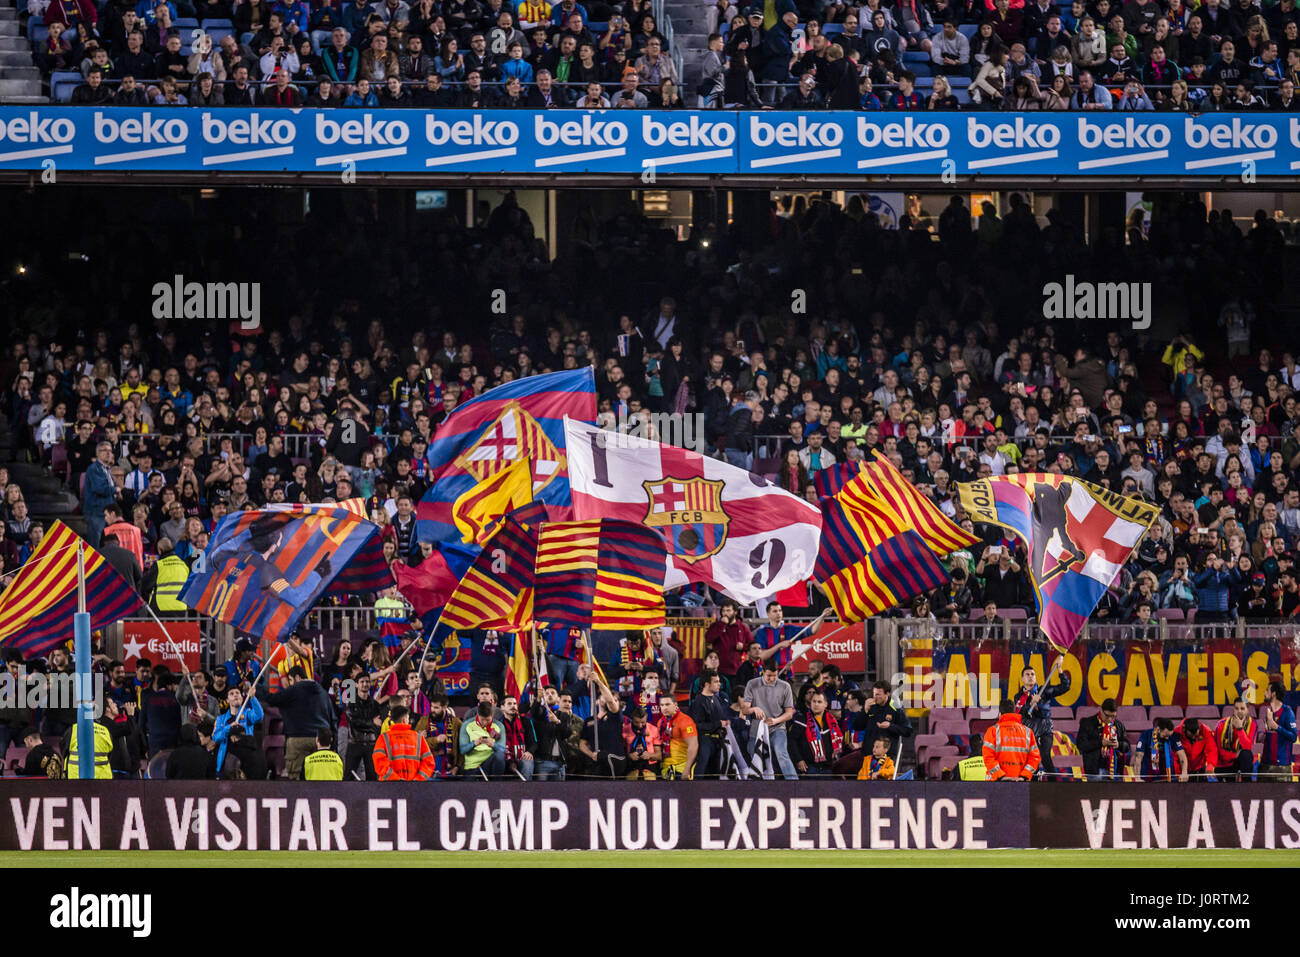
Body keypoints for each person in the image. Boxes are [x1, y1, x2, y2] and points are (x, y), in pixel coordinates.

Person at [257, 665, 332, 779]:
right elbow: (333, 717)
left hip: (297, 740)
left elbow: (272, 699)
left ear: (297, 677)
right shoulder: (323, 692)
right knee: (318, 778)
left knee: (295, 780)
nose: (290, 684)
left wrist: (256, 687)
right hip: (320, 740)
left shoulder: (294, 690)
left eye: (290, 680)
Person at [1010, 664, 1071, 777]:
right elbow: (1021, 713)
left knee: (1045, 756)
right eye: (1027, 675)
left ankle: (1054, 787)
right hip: (1029, 734)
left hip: (1045, 731)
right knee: (1032, 763)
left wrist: (1060, 669)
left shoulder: (1044, 691)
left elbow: (1065, 687)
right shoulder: (1018, 697)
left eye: (1032, 674)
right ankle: (1034, 789)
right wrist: (1030, 704)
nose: (1030, 676)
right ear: (1022, 679)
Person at [742, 660, 799, 779]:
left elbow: (789, 713)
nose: (772, 679)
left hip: (777, 728)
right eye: (769, 676)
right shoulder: (752, 684)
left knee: (781, 752)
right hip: (757, 730)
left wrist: (776, 720)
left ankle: (794, 783)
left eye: (775, 675)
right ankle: (760, 785)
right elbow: (744, 710)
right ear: (762, 672)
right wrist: (754, 709)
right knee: (753, 753)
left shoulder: (785, 686)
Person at [372, 704, 437, 781]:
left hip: (388, 788)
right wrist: (418, 779)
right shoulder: (418, 738)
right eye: (408, 718)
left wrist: (395, 779)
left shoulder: (383, 738)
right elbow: (429, 763)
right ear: (404, 719)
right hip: (414, 787)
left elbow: (379, 764)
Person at [212, 686, 264, 779]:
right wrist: (229, 727)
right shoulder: (221, 719)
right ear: (227, 700)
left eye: (237, 693)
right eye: (232, 694)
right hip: (226, 761)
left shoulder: (247, 714)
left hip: (246, 760)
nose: (235, 695)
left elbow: (259, 715)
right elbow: (216, 738)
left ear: (241, 697)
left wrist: (253, 698)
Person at [982, 699, 1041, 781]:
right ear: (1014, 712)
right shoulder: (1028, 732)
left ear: (1000, 714)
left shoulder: (992, 731)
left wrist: (1001, 776)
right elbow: (1035, 758)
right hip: (1020, 783)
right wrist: (1023, 776)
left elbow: (988, 758)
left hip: (996, 784)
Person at [789, 690, 843, 775]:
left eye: (819, 702)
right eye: (814, 701)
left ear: (825, 704)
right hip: (809, 767)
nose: (816, 704)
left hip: (828, 767)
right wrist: (798, 759)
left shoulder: (832, 722)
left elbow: (837, 740)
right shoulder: (801, 720)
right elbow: (792, 741)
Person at [579, 685, 628, 778]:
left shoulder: (615, 716)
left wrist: (597, 681)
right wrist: (591, 755)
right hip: (597, 761)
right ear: (597, 701)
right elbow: (582, 743)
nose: (610, 700)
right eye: (604, 696)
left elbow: (610, 701)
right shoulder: (588, 720)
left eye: (615, 700)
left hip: (614, 758)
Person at [688, 667, 729, 777]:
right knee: (701, 772)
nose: (719, 684)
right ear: (707, 684)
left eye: (719, 681)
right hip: (704, 742)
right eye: (716, 681)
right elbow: (696, 725)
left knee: (715, 775)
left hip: (718, 741)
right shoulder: (698, 702)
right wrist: (718, 724)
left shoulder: (717, 699)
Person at [1076, 697, 1129, 780]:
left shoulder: (1119, 725)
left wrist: (1118, 744)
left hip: (1116, 770)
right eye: (1107, 716)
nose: (1110, 719)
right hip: (1095, 770)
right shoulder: (1087, 723)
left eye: (1113, 716)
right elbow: (1081, 745)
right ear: (1101, 710)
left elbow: (1127, 746)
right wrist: (1101, 743)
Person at [1258, 679, 1297, 777]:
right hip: (1265, 765)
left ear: (1273, 694)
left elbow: (1294, 737)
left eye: (1267, 690)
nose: (1264, 693)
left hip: (1281, 767)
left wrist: (1277, 727)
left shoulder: (1287, 712)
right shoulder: (1268, 712)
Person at [1213, 697, 1258, 781]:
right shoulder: (1221, 725)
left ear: (1247, 710)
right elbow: (1218, 750)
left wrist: (1240, 729)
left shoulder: (1253, 723)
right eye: (1236, 708)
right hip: (1224, 763)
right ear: (1233, 709)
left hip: (1241, 762)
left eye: (1242, 708)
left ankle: (1246, 788)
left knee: (1246, 754)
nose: (1239, 711)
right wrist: (1235, 755)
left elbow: (1247, 748)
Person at [462, 699, 507, 779]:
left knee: (499, 755)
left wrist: (493, 745)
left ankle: (497, 785)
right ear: (478, 715)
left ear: (492, 716)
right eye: (482, 720)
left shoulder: (499, 726)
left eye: (488, 720)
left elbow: (503, 750)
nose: (485, 723)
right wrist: (474, 743)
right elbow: (462, 750)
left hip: (489, 762)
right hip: (473, 763)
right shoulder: (467, 725)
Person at [1135, 717, 1188, 781]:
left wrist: (1184, 772)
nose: (1167, 738)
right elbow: (1138, 756)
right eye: (1165, 736)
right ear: (1158, 730)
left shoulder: (1173, 736)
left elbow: (1182, 755)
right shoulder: (1146, 735)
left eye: (1169, 736)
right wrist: (1137, 777)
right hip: (1148, 773)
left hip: (1168, 773)